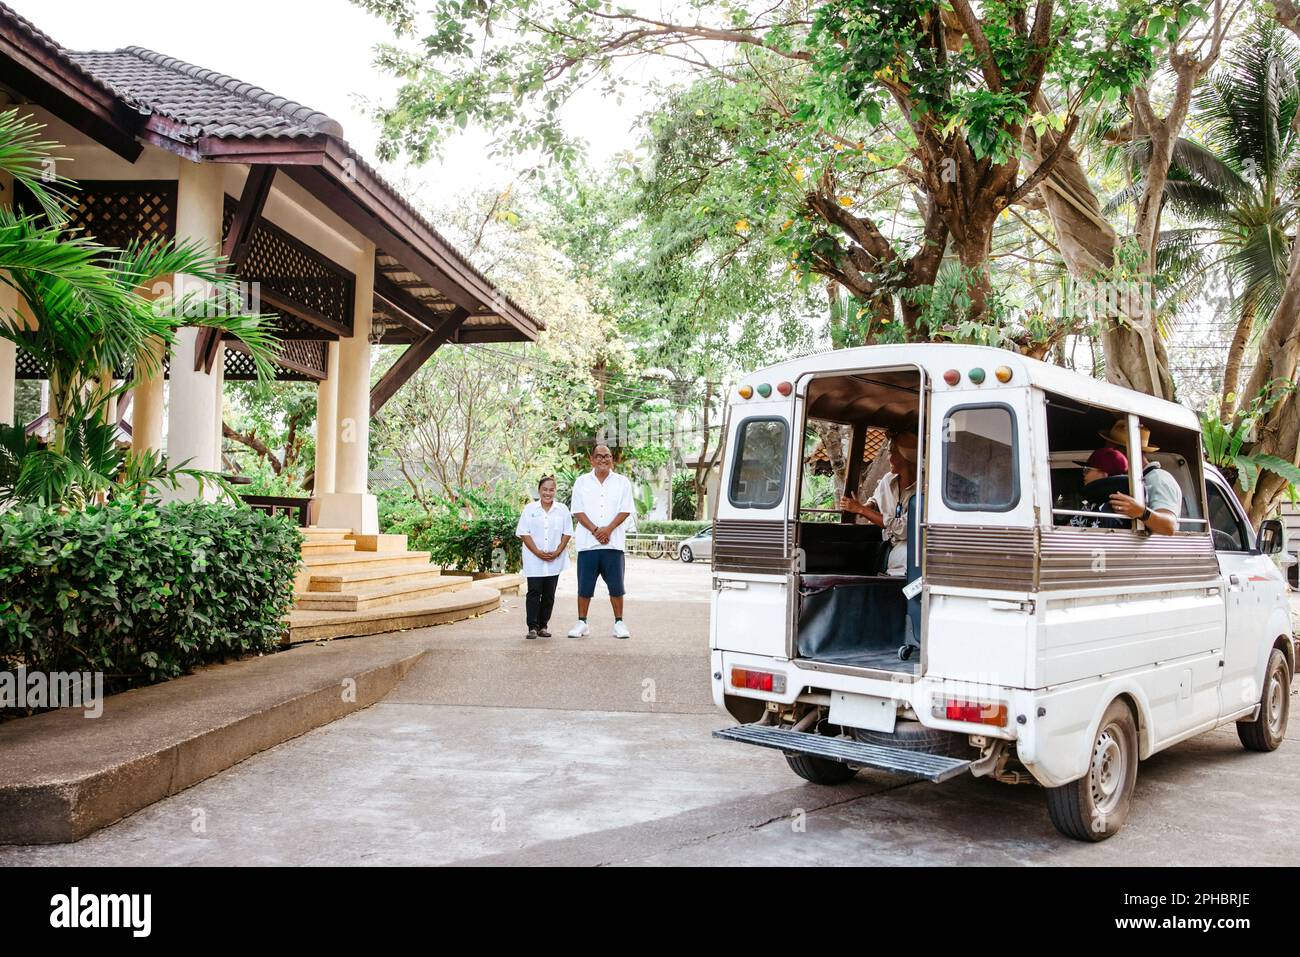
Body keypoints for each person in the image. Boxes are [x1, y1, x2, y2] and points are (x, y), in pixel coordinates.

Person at [567, 445, 635, 639]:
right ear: (592, 459)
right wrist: (597, 530)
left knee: (616, 586)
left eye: (607, 456)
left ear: (612, 459)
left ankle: (619, 623)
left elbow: (626, 509)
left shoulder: (622, 482)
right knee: (584, 586)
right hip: (588, 544)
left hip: (613, 545)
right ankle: (582, 623)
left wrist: (608, 529)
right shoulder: (581, 482)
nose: (603, 459)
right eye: (599, 456)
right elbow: (578, 511)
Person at [838, 431, 919, 577]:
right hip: (886, 546)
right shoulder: (887, 480)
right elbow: (876, 499)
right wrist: (867, 506)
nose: (889, 458)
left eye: (892, 453)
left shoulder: (924, 488)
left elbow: (903, 529)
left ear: (906, 458)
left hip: (907, 550)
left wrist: (862, 510)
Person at [1098, 419, 1183, 535]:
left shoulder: (1158, 478)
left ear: (1123, 452)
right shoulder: (1134, 479)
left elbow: (1169, 526)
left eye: (1111, 452)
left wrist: (1141, 512)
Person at [515, 475, 573, 639]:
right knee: (534, 592)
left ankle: (543, 626)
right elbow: (524, 533)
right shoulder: (530, 509)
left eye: (551, 489)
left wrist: (558, 551)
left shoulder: (562, 509)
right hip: (534, 559)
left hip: (555, 559)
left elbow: (568, 532)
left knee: (549, 594)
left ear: (555, 491)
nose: (548, 493)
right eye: (545, 489)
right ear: (539, 490)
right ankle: (532, 627)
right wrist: (538, 552)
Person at [1070, 446, 1129, 528]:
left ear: (1104, 474)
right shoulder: (1093, 503)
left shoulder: (1120, 505)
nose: (1084, 474)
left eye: (1087, 470)